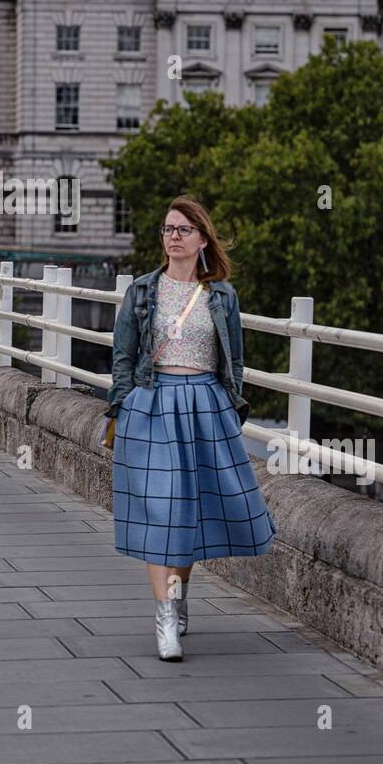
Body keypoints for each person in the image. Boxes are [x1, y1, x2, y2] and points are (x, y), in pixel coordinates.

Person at [106, 195, 276, 663]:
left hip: (204, 404)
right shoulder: (142, 291)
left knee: (187, 514)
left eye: (182, 230)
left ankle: (178, 598)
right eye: (167, 229)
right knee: (160, 511)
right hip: (153, 403)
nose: (173, 237)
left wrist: (230, 405)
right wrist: (122, 406)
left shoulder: (222, 295)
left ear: (203, 238)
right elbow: (123, 355)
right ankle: (164, 616)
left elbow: (233, 359)